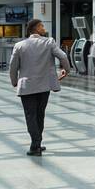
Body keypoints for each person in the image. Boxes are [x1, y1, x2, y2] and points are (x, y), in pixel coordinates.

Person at [8, 19, 69, 156]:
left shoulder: (19, 45)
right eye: (41, 26)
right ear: (34, 29)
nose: (43, 28)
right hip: (44, 86)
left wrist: (14, 81)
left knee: (31, 116)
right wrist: (67, 70)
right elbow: (63, 56)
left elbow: (13, 66)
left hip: (27, 86)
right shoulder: (49, 42)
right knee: (40, 115)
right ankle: (37, 143)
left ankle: (35, 145)